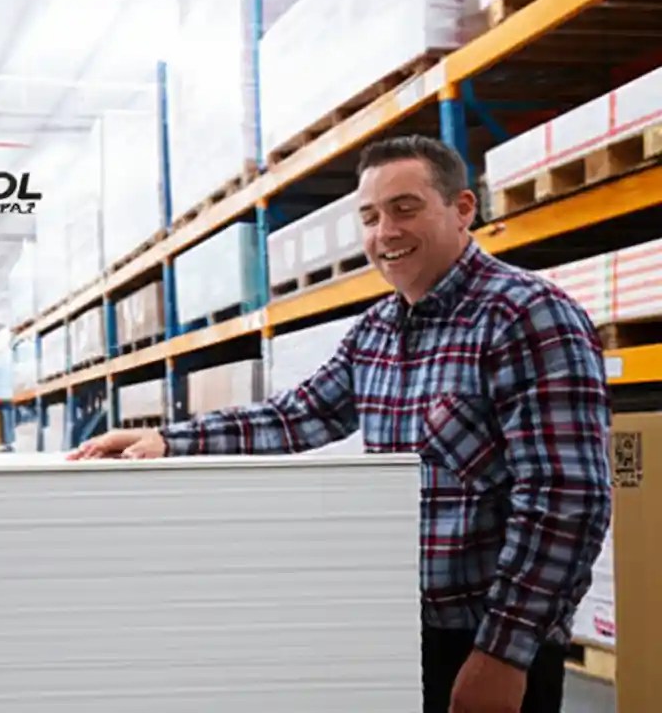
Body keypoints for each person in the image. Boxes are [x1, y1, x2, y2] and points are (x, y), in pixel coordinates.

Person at [69, 134, 612, 713]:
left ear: (461, 209)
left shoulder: (527, 316)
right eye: (370, 217)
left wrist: (503, 654)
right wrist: (166, 439)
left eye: (406, 208)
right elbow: (298, 415)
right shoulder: (377, 331)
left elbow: (567, 498)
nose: (386, 233)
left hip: (490, 642)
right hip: (401, 637)